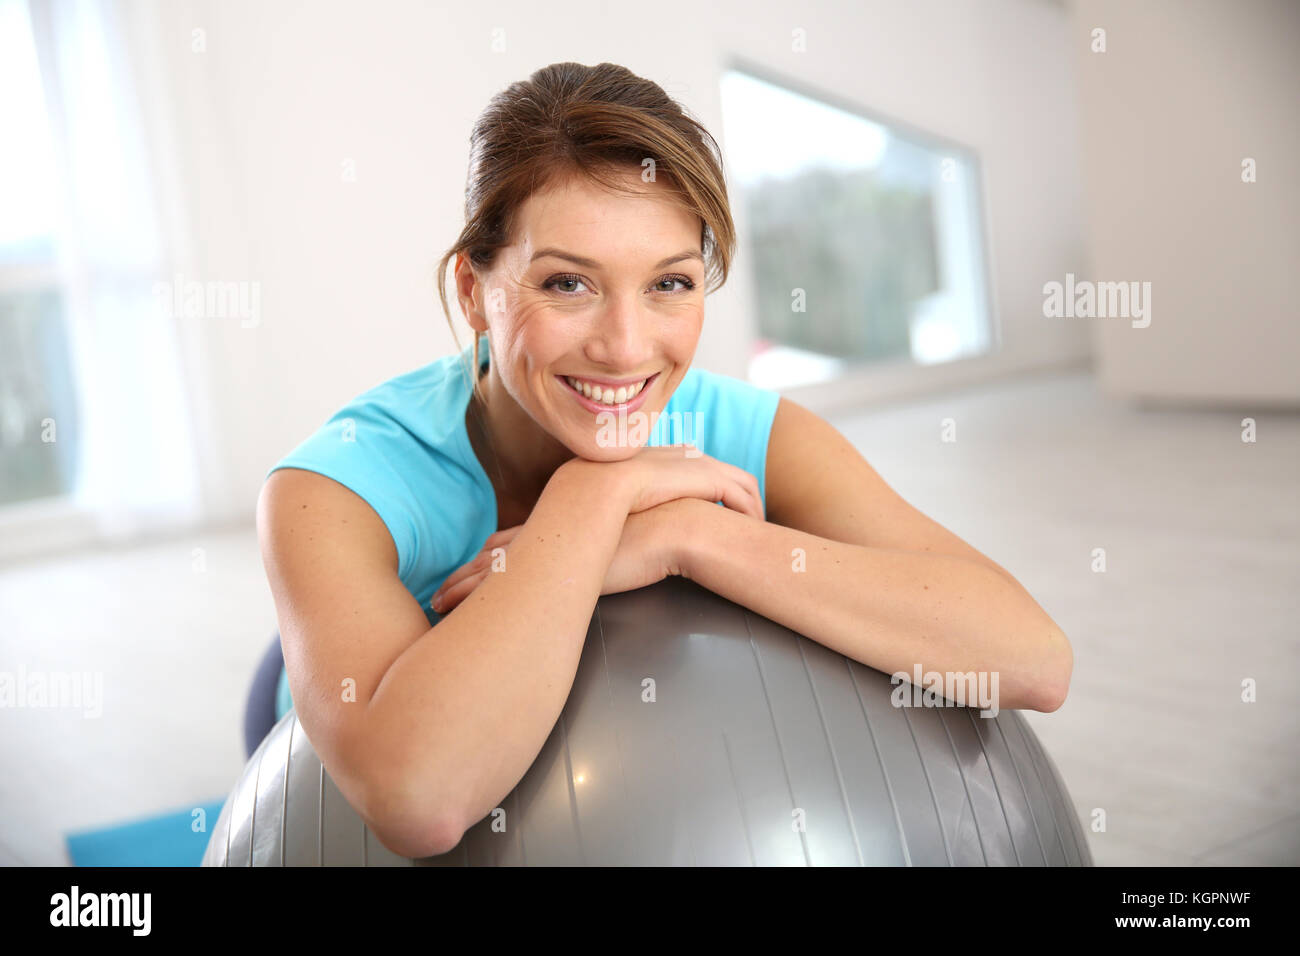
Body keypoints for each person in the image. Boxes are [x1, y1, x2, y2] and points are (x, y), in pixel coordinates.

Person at [257, 61, 1073, 860]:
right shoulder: (331, 489)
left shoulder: (749, 430)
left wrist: (690, 536)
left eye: (670, 284)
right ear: (474, 290)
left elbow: (1033, 660)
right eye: (569, 284)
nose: (625, 347)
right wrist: (590, 498)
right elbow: (419, 802)